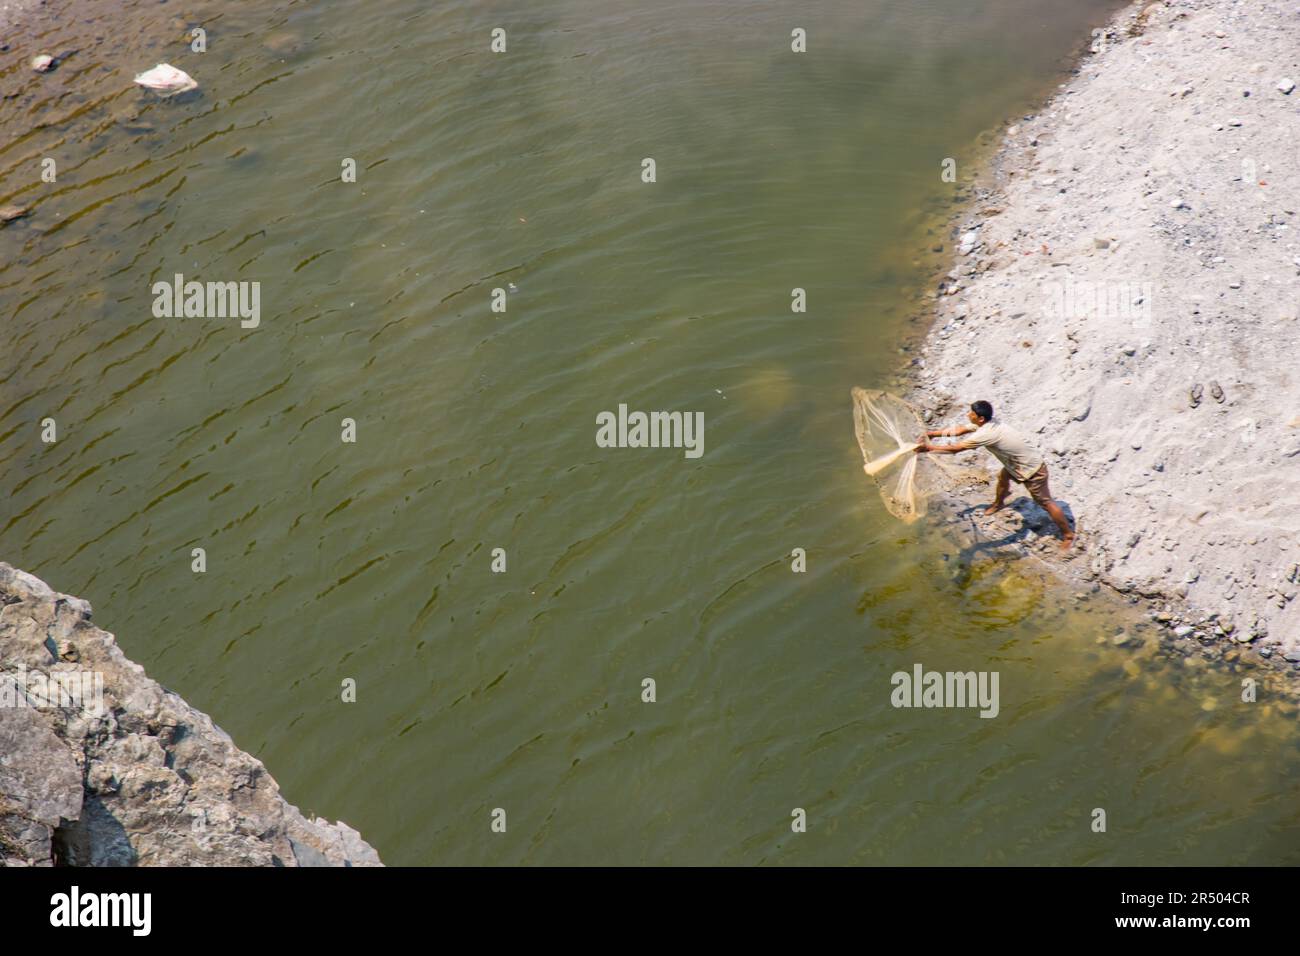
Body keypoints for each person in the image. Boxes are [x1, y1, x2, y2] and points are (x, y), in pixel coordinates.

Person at [916, 400, 1075, 550]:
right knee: (1003, 477)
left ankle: (1068, 535)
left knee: (1046, 503)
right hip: (1015, 464)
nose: (967, 415)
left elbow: (956, 449)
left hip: (1032, 471)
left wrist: (928, 449)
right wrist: (932, 434)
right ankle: (998, 503)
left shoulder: (985, 434)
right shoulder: (987, 423)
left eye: (970, 413)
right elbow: (959, 430)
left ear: (980, 418)